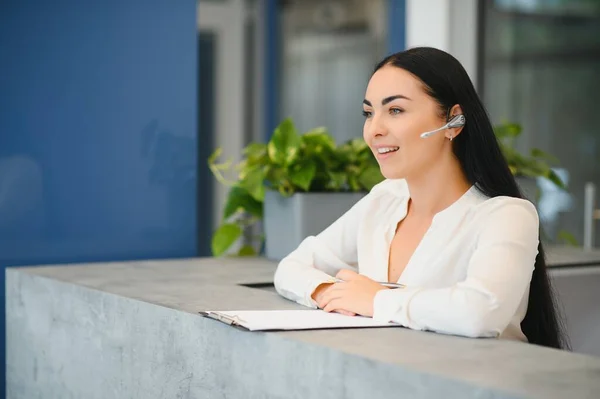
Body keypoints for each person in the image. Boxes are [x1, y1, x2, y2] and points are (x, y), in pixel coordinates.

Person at [273, 46, 569, 349]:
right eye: (369, 113)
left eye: (395, 110)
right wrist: (328, 292)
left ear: (454, 121)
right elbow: (291, 267)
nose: (374, 130)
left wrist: (377, 300)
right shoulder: (384, 200)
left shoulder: (506, 216)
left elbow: (480, 313)